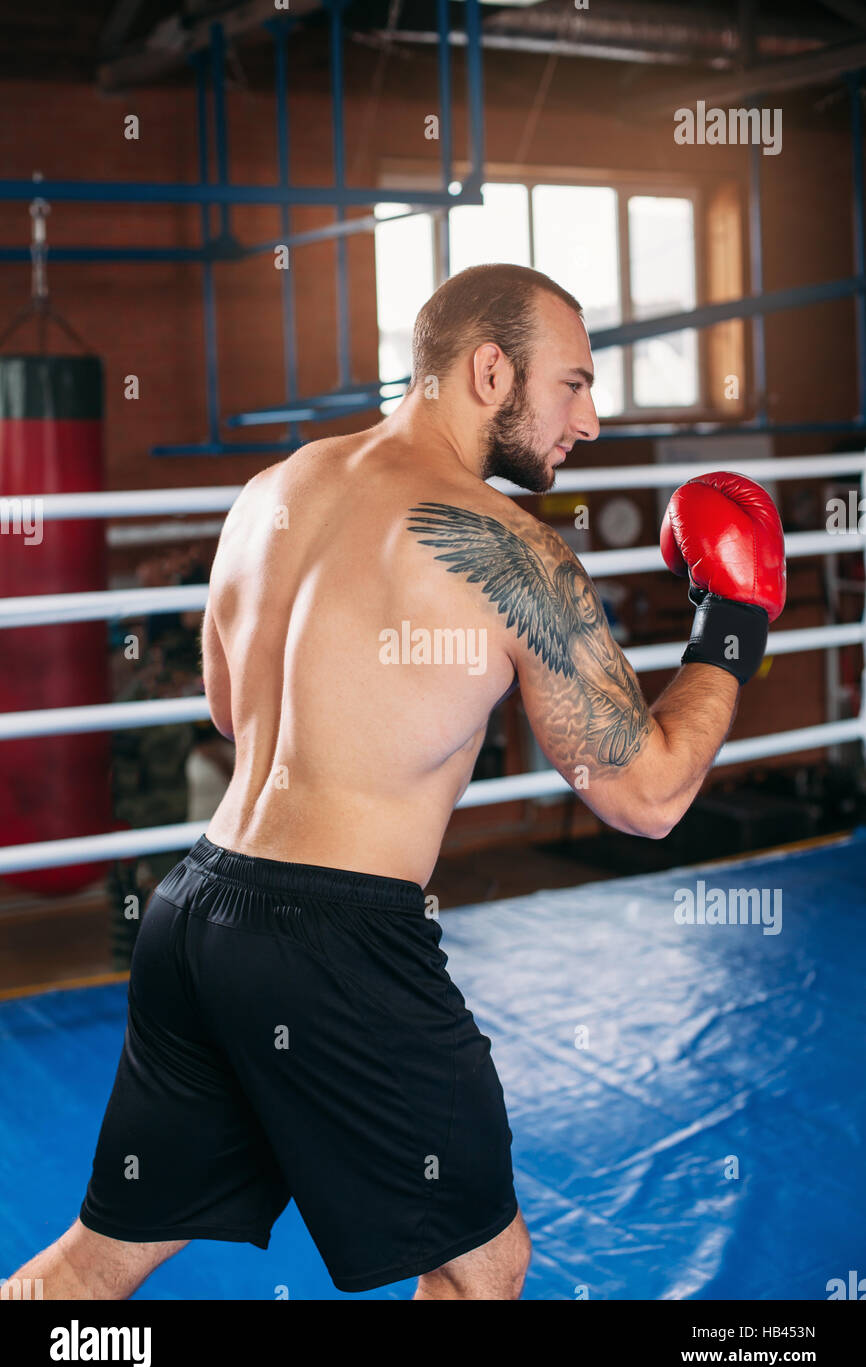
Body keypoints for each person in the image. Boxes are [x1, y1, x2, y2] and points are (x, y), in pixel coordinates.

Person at [4, 264, 785, 1301]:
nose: (589, 422)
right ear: (490, 369)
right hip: (333, 946)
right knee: (480, 1269)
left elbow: (232, 715)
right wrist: (728, 628)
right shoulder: (510, 550)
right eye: (573, 385)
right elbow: (643, 797)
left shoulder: (269, 495)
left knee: (100, 1257)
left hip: (196, 915)